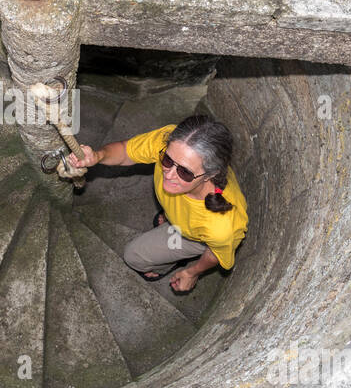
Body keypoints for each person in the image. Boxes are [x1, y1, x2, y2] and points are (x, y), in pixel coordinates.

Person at [67, 114, 248, 293]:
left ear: (209, 175)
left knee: (134, 257)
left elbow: (215, 253)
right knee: (170, 214)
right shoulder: (174, 143)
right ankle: (171, 220)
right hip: (181, 218)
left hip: (196, 237)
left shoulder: (220, 225)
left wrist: (192, 272)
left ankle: (165, 263)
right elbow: (125, 151)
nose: (168, 174)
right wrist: (97, 156)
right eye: (167, 160)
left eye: (185, 172)